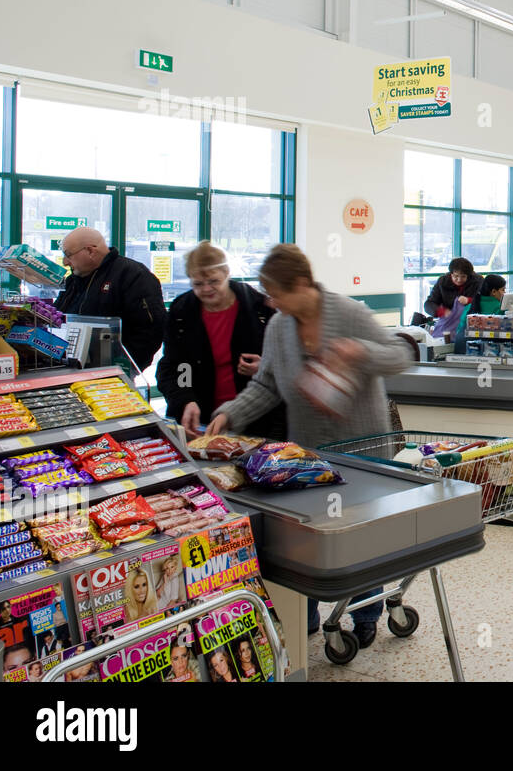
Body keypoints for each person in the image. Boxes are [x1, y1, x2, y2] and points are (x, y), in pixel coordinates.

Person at [205, 244, 414, 649]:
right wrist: (229, 414)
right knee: (310, 538)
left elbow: (399, 355)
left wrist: (359, 351)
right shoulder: (279, 327)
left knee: (360, 538)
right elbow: (266, 385)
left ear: (301, 283)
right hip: (308, 456)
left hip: (362, 452)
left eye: (276, 293)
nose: (270, 301)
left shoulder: (350, 314)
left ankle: (366, 612)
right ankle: (308, 617)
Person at [156, 242, 284, 440]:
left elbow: (284, 364)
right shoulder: (181, 311)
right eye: (198, 284)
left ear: (227, 273)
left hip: (254, 419)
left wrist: (264, 366)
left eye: (214, 281)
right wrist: (184, 401)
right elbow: (173, 367)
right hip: (202, 422)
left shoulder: (261, 308)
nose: (206, 289)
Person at [54, 226, 166, 370]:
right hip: (70, 368)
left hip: (114, 374)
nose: (65, 262)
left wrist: (125, 367)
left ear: (90, 251)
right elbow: (58, 317)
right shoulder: (73, 281)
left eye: (68, 255)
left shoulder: (133, 275)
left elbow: (151, 330)